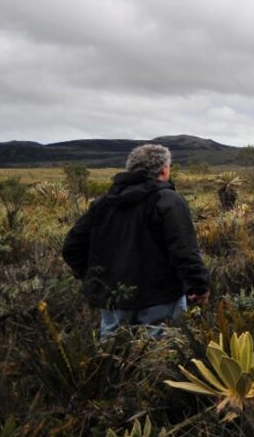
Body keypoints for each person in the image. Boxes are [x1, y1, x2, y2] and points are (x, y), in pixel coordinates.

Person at [62, 144, 210, 337]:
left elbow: (72, 247)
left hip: (113, 300)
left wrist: (97, 278)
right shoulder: (169, 200)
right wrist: (199, 286)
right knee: (160, 358)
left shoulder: (103, 204)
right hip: (161, 298)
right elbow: (184, 250)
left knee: (113, 359)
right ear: (164, 170)